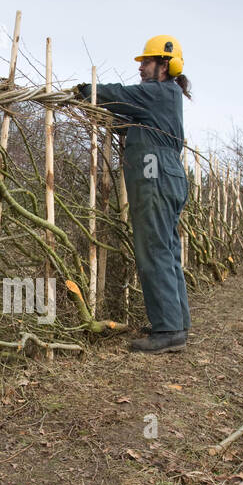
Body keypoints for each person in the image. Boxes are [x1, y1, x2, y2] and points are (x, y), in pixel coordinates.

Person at [72, 35, 192, 354]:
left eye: (147, 62)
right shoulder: (160, 100)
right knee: (166, 248)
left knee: (154, 249)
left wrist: (87, 91)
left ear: (165, 66)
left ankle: (168, 330)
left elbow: (119, 95)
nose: (141, 68)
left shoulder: (157, 93)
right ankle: (176, 323)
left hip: (155, 177)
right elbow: (131, 119)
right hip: (165, 175)